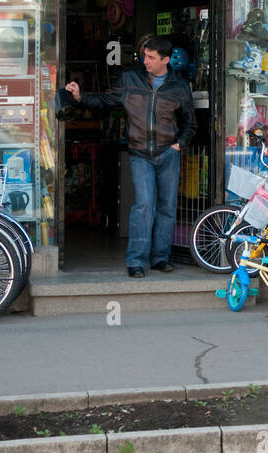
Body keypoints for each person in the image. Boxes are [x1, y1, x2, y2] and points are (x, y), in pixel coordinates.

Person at [64, 35, 195, 278]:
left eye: (151, 58)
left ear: (165, 60)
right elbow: (106, 100)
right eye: (145, 56)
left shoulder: (180, 86)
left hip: (168, 152)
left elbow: (190, 122)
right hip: (139, 153)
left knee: (167, 207)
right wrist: (81, 97)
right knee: (144, 205)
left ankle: (160, 258)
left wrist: (179, 144)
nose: (145, 61)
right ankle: (136, 260)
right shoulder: (130, 79)